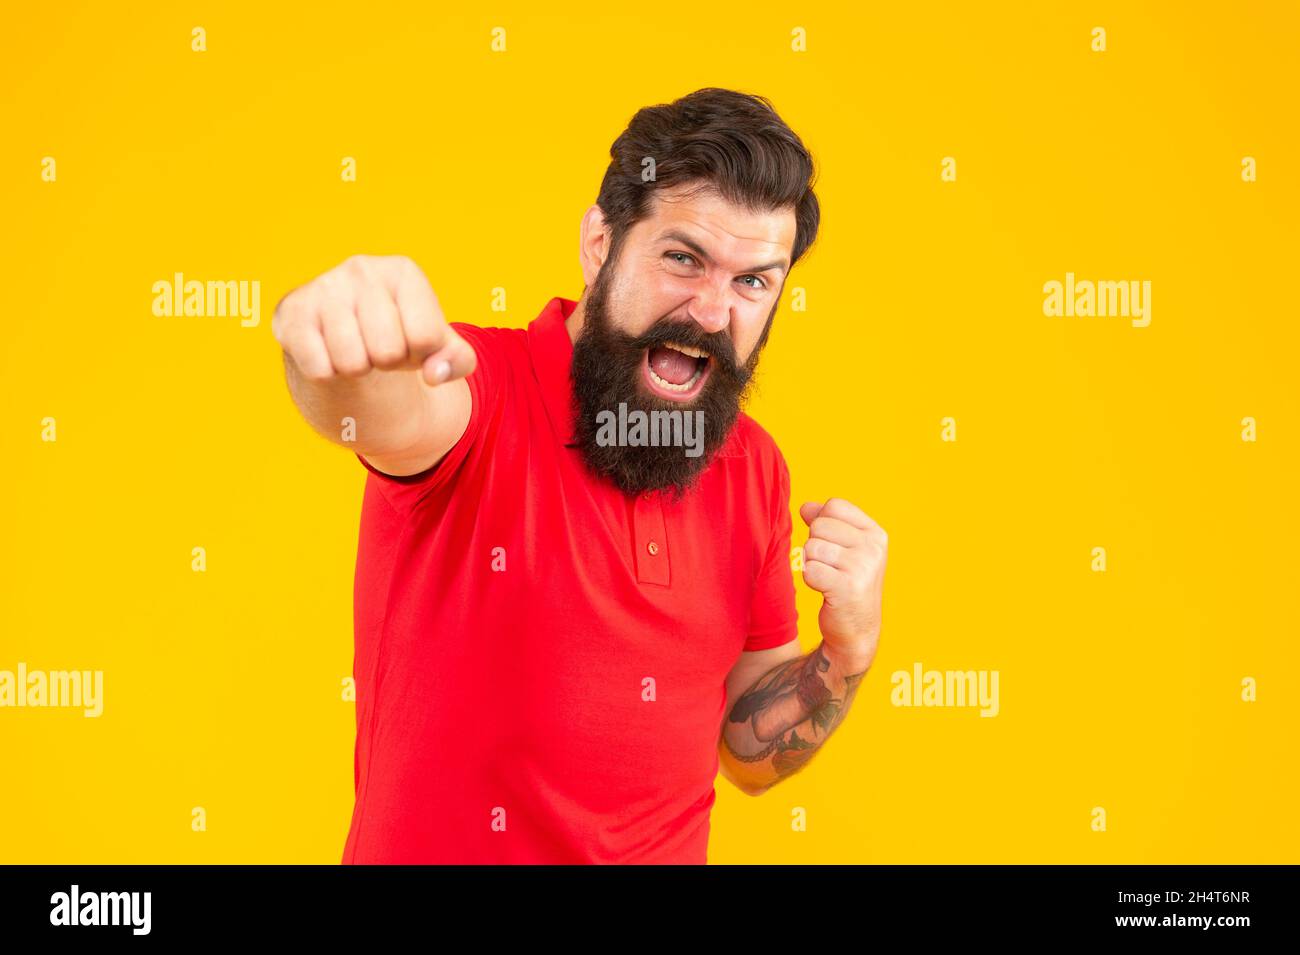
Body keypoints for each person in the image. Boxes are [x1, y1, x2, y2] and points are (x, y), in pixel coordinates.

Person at [271, 87, 888, 863]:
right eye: (683, 258)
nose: (709, 310)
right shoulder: (482, 390)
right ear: (601, 242)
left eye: (752, 281)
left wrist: (847, 647)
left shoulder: (753, 465)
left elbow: (749, 753)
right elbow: (377, 407)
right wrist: (327, 341)